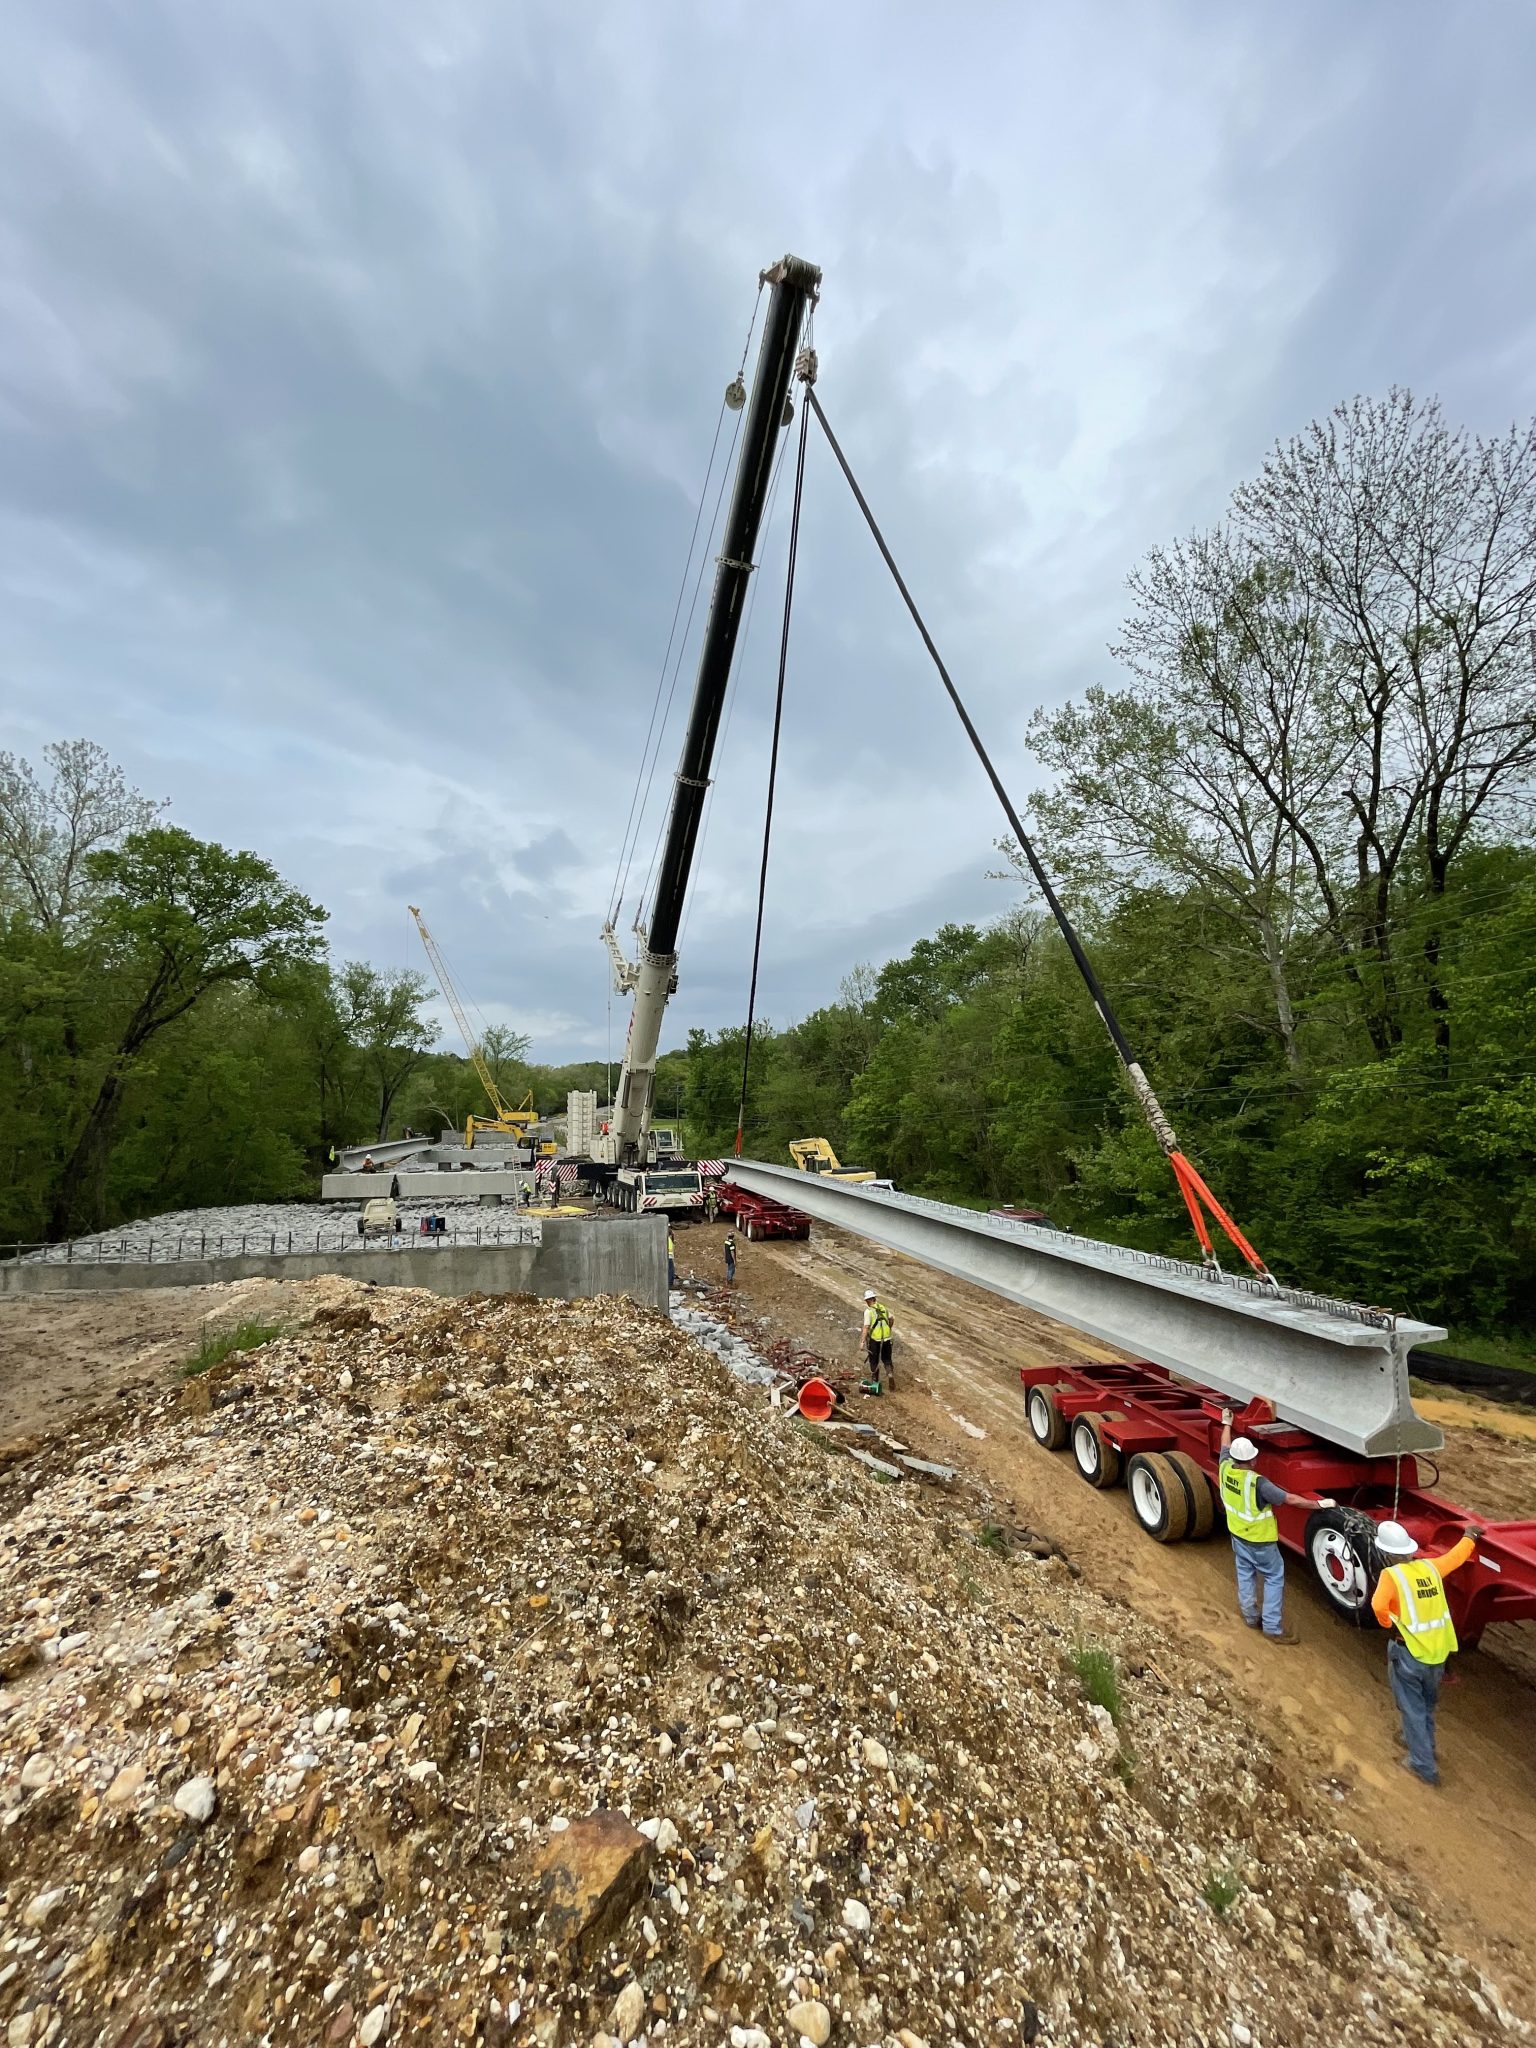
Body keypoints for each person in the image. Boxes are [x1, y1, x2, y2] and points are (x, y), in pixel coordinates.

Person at [1371, 1518, 1481, 1787]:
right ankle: (1422, 1744)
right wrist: (1470, 1537)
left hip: (1409, 1654)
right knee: (1426, 1705)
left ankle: (1422, 1765)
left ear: (1384, 1553)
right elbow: (1455, 1558)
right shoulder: (1430, 1568)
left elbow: (1377, 1606)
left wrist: (1389, 1622)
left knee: (1412, 1708)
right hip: (1437, 1654)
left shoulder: (1391, 1576)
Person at [1217, 1408, 1334, 1646]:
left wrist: (1225, 1423)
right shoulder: (1259, 1484)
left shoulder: (1225, 1468)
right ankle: (1271, 1627)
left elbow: (1224, 1448)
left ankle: (1250, 1617)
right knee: (1273, 1577)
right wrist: (1319, 1504)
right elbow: (1290, 1499)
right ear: (1252, 1459)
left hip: (1237, 1536)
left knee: (1245, 1574)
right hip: (1261, 1542)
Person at [861, 1289, 894, 1395]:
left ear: (868, 1300)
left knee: (874, 1360)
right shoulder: (883, 1308)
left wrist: (862, 1341)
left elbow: (866, 1327)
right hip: (887, 1338)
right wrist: (888, 1328)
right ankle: (890, 1375)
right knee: (887, 1359)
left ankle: (875, 1381)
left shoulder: (869, 1311)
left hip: (876, 1339)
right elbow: (891, 1319)